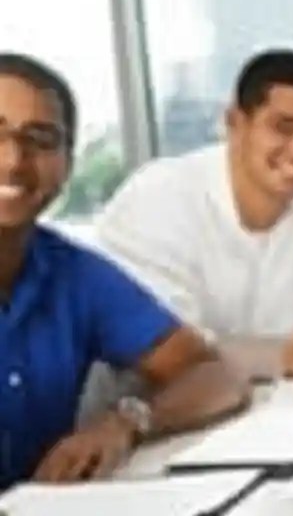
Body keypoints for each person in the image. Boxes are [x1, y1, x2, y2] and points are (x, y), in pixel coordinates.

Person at [0, 53, 249, 488]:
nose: (14, 161)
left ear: (68, 162)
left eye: (40, 139)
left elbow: (215, 374)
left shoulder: (73, 274)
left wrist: (127, 421)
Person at [97, 50, 293, 380]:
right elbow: (166, 352)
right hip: (151, 418)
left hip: (274, 415)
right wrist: (287, 356)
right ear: (235, 123)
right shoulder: (158, 199)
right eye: (284, 128)